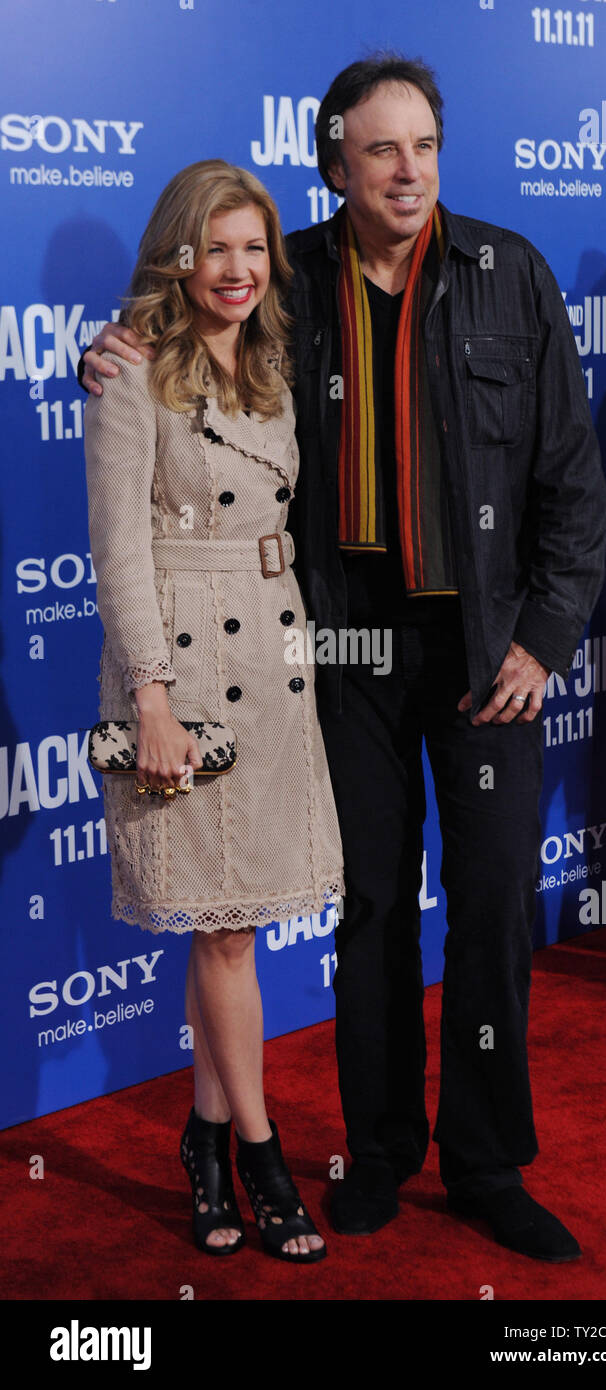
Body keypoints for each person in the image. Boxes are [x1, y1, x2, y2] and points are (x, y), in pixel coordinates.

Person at [81, 54, 606, 1263]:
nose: (409, 171)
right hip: (333, 649)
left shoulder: (511, 274)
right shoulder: (291, 278)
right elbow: (183, 353)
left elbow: (573, 482)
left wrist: (543, 638)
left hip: (485, 648)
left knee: (491, 902)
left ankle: (485, 1164)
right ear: (336, 166)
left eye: (424, 146)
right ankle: (377, 1152)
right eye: (382, 150)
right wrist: (103, 353)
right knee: (371, 903)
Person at [84, 159, 343, 1264]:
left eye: (254, 248)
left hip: (276, 651)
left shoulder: (278, 360)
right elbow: (118, 551)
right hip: (182, 670)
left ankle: (202, 1139)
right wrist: (150, 698)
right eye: (215, 249)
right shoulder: (130, 369)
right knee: (227, 932)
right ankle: (262, 1153)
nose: (237, 269)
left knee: (228, 924)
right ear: (178, 257)